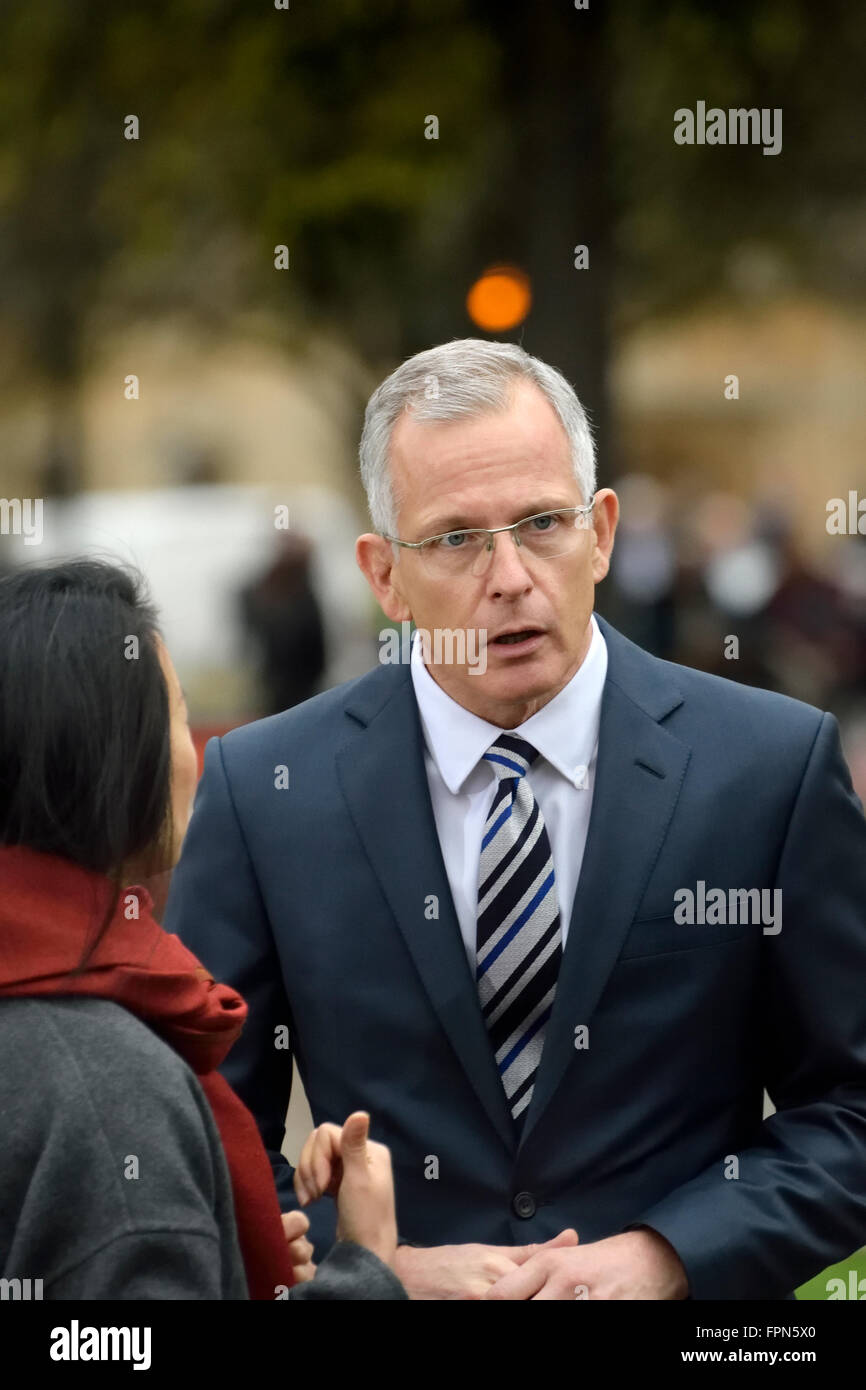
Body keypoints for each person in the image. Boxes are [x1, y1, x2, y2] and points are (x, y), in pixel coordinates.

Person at [165, 339, 866, 1301]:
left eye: (542, 523)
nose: (509, 577)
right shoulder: (267, 788)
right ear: (383, 576)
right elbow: (197, 1132)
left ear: (604, 532)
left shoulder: (768, 768)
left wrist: (669, 1255)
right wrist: (375, 1273)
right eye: (455, 539)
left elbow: (851, 1109)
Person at [0, 560, 407, 1300]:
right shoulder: (110, 1088)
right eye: (178, 714)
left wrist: (226, 1249)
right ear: (117, 756)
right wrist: (365, 1266)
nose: (194, 751)